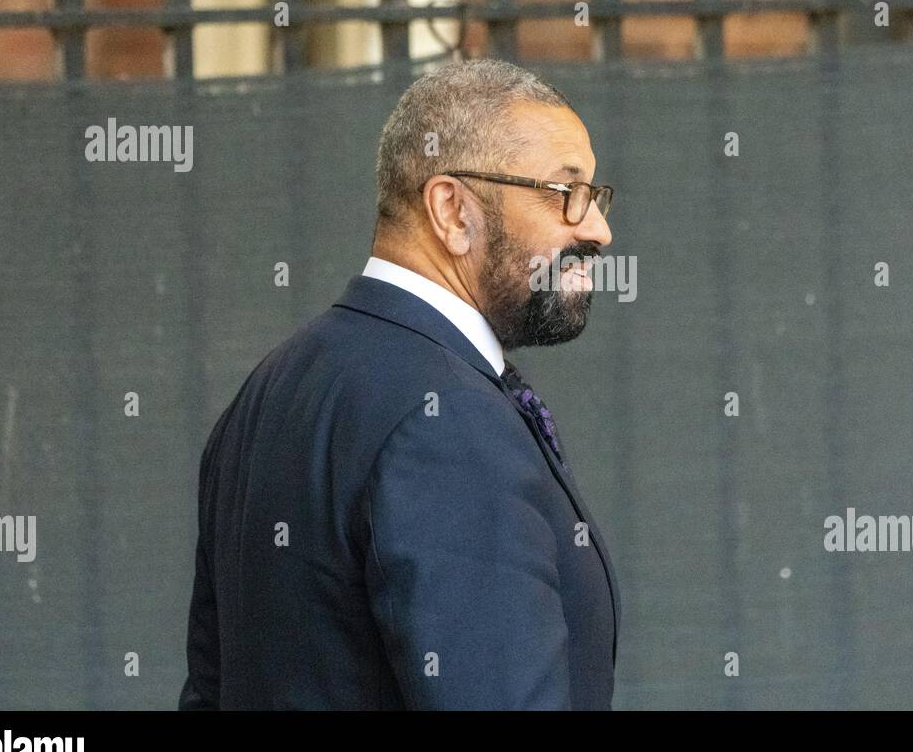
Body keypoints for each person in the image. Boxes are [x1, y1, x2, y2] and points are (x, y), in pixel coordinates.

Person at [178, 59, 620, 709]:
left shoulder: (271, 390)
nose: (598, 229)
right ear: (451, 209)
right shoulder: (451, 425)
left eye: (596, 197)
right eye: (565, 192)